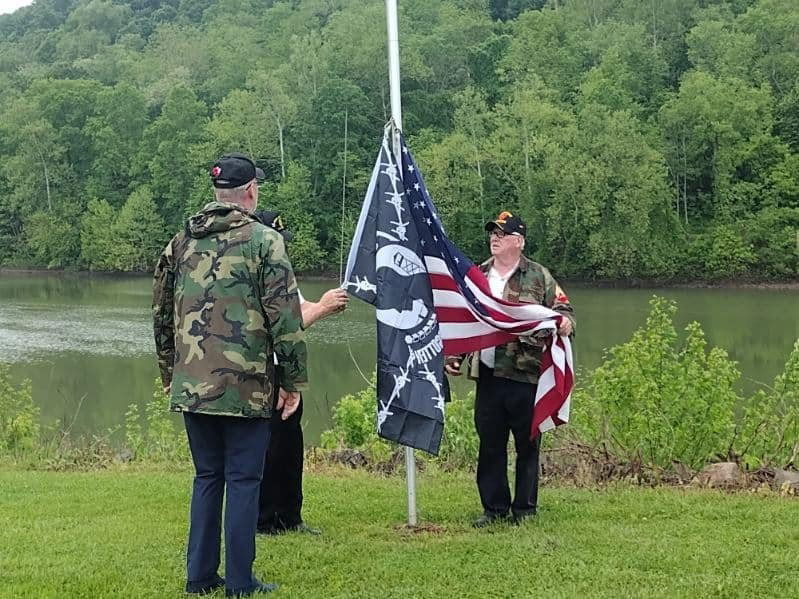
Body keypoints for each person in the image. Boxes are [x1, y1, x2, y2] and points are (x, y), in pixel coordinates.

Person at [153, 152, 307, 596]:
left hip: (192, 383)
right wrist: (292, 382)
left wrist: (170, 372)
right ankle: (240, 582)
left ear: (218, 192)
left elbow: (160, 312)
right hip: (246, 386)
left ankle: (199, 577)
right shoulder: (265, 241)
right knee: (242, 480)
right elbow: (286, 319)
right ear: (252, 191)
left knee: (207, 477)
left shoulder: (182, 240)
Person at [445, 210, 575, 528]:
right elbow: (465, 319)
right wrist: (455, 356)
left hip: (525, 374)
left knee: (527, 444)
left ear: (519, 241)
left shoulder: (539, 276)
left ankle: (524, 509)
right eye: (493, 233)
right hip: (488, 374)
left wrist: (565, 323)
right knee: (490, 443)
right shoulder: (477, 275)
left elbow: (564, 310)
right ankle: (494, 509)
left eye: (502, 234)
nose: (495, 239)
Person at [253, 208, 348, 536]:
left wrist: (323, 303)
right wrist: (322, 308)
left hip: (285, 372)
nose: (282, 245)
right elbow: (281, 326)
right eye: (277, 239)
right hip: (262, 375)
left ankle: (291, 517)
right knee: (267, 451)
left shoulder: (280, 272)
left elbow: (299, 309)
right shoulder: (252, 273)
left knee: (289, 449)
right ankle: (264, 521)